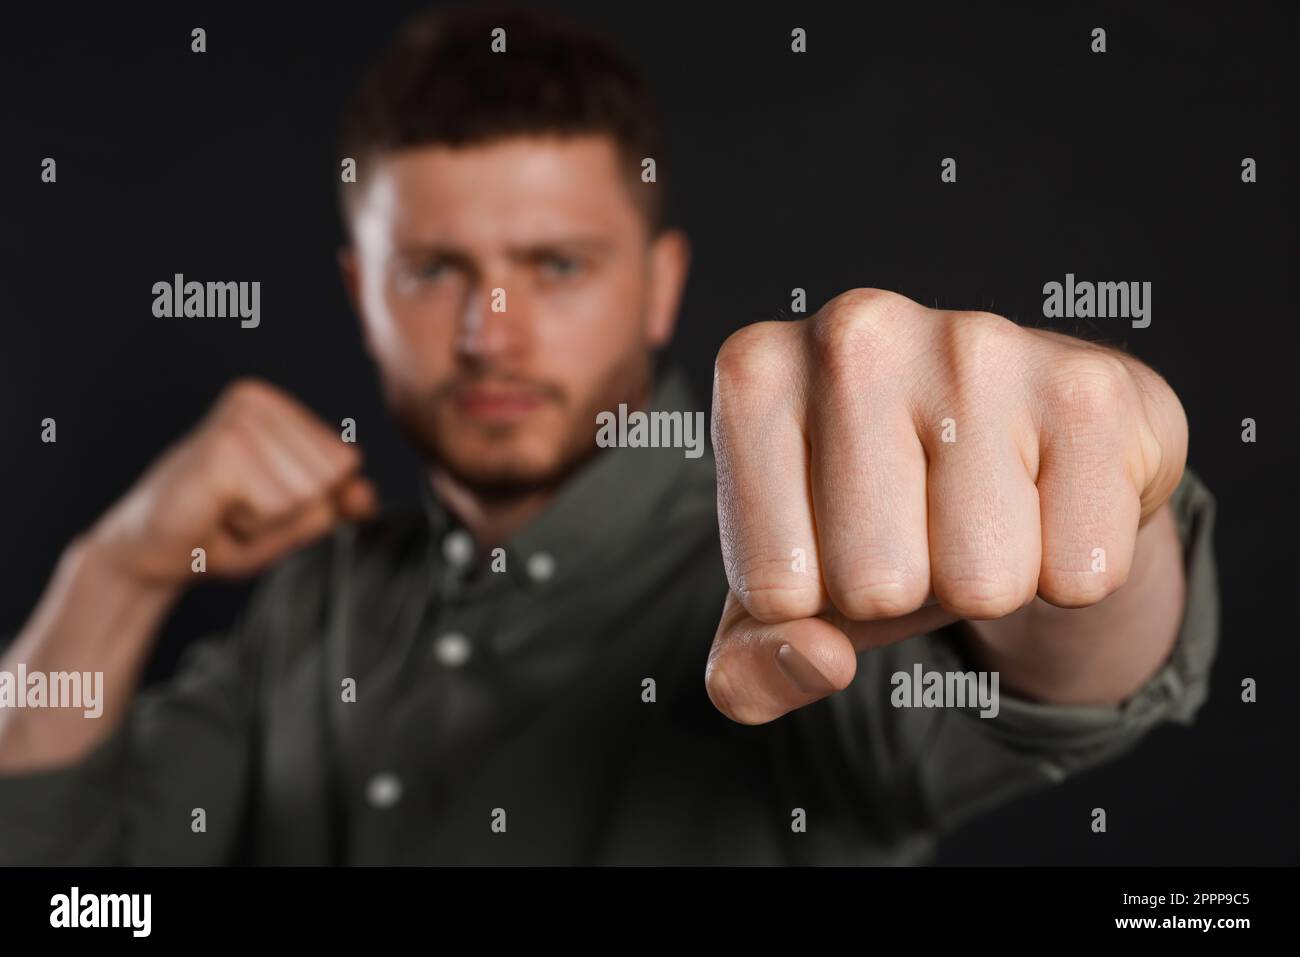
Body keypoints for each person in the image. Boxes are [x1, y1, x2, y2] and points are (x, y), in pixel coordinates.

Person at [0, 4, 1218, 865]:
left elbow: (1075, 676)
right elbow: (58, 865)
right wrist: (117, 567)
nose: (489, 331)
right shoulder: (307, 604)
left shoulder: (793, 563)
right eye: (430, 269)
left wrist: (1108, 478)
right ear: (358, 291)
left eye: (556, 265)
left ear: (657, 285)